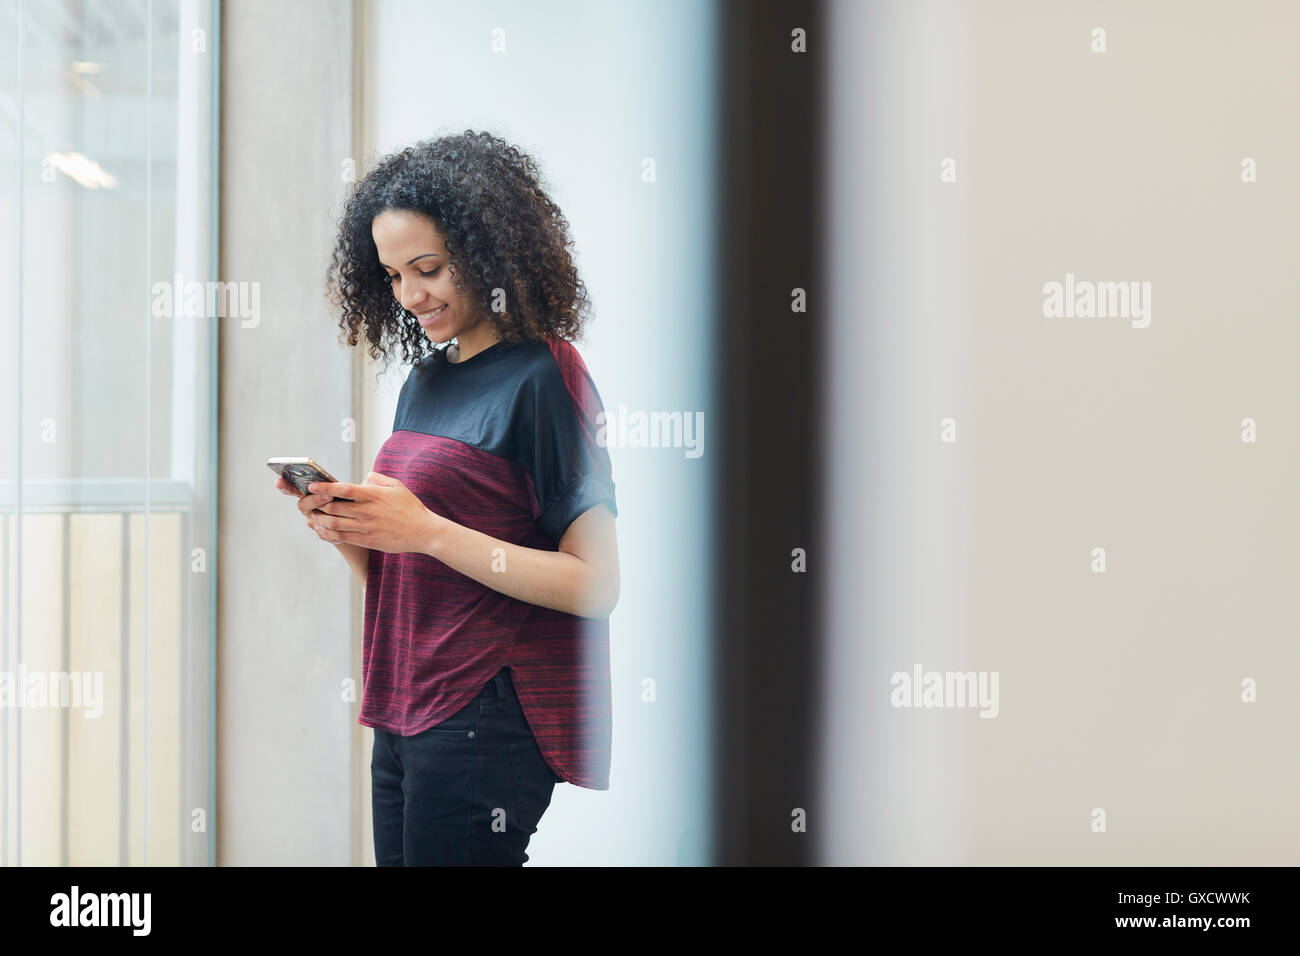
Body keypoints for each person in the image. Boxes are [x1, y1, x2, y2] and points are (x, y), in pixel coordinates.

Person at [274, 130, 620, 865]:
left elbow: (596, 584)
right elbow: (413, 571)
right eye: (393, 275)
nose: (409, 295)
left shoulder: (546, 376)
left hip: (483, 713)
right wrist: (355, 532)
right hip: (402, 706)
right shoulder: (425, 382)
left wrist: (425, 529)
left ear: (487, 249)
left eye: (427, 268)